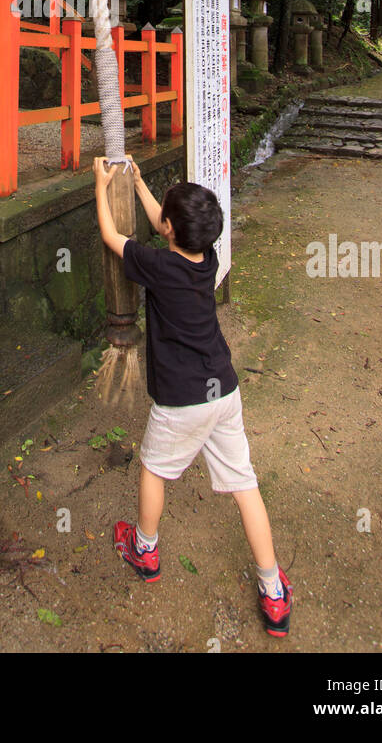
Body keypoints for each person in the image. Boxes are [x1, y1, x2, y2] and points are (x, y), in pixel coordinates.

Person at [94, 155, 292, 637]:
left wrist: (102, 187)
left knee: (154, 469)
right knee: (245, 484)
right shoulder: (208, 260)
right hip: (223, 388)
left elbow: (110, 236)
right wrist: (139, 183)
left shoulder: (157, 265)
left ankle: (144, 547)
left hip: (182, 399)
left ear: (166, 227)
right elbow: (166, 223)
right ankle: (273, 590)